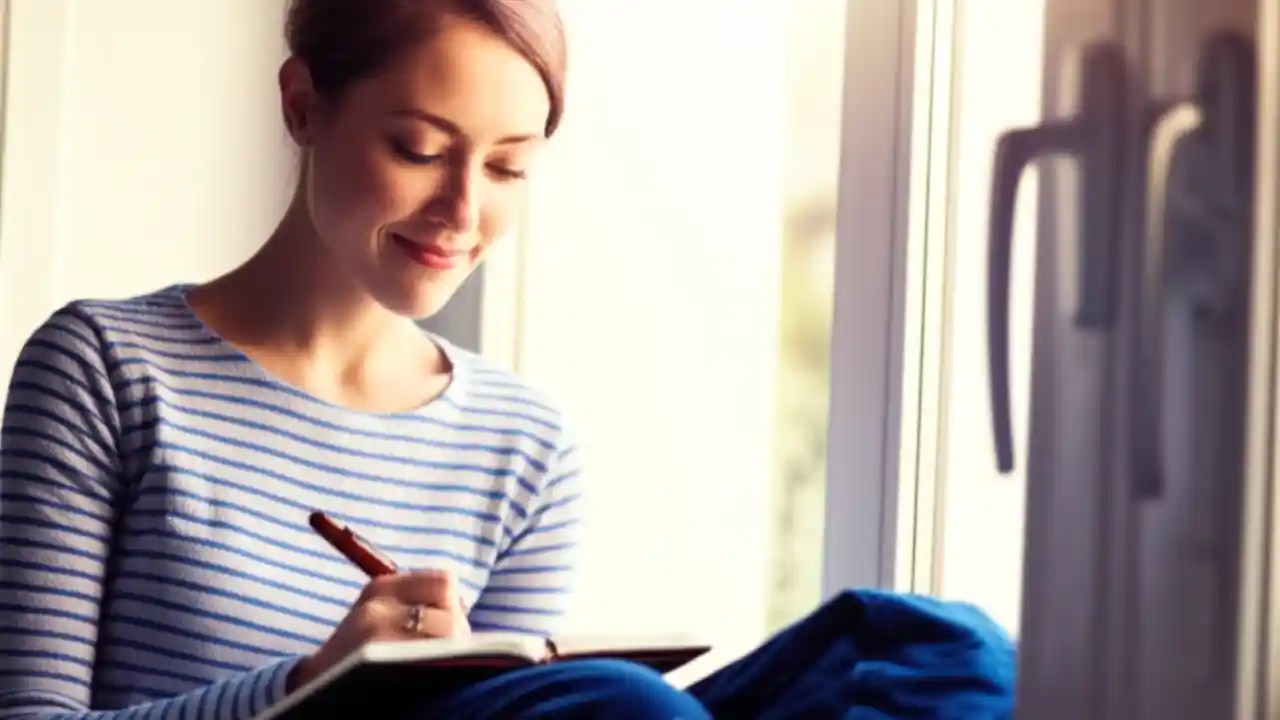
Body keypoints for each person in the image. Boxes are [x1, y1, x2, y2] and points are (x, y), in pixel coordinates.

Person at [0, 1, 1015, 718]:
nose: (462, 212)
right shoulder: (106, 367)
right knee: (623, 711)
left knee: (938, 654)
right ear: (304, 106)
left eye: (507, 168)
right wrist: (314, 680)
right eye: (419, 148)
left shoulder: (524, 439)